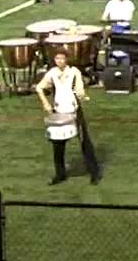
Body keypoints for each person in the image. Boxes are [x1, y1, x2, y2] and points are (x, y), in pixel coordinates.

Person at [36, 50, 101, 185]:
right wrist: (45, 103)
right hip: (59, 111)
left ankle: (94, 173)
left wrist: (82, 95)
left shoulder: (74, 72)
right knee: (57, 145)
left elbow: (79, 88)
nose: (59, 61)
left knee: (84, 142)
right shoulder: (52, 73)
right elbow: (39, 87)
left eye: (62, 58)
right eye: (57, 58)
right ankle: (60, 174)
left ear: (67, 59)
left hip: (74, 111)